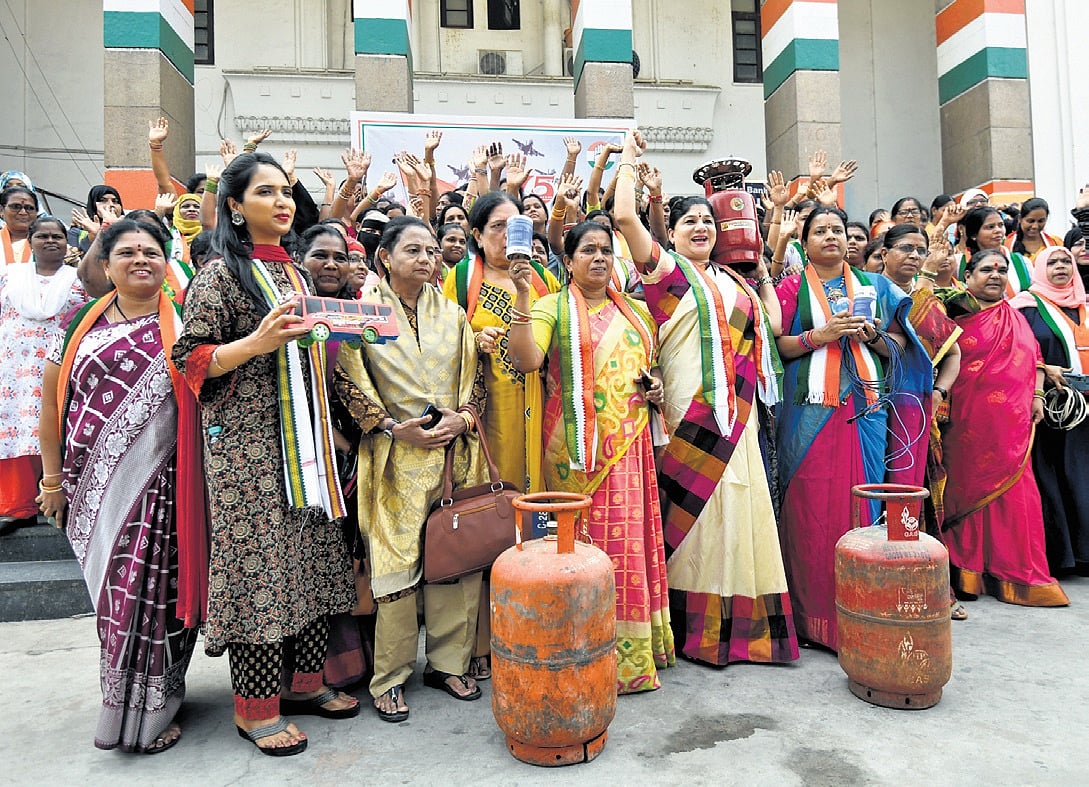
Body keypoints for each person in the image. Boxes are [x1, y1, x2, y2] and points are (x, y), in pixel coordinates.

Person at [172, 152, 358, 757]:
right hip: (249, 449)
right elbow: (190, 358)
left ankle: (303, 686)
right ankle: (255, 710)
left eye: (285, 192)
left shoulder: (296, 274)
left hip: (306, 441)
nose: (282, 202)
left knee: (310, 557)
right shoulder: (222, 274)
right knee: (262, 570)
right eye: (265, 192)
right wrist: (254, 343)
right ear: (233, 205)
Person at [613, 130, 798, 666]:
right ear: (670, 230)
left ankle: (741, 635)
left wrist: (765, 265)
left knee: (740, 516)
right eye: (689, 220)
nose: (700, 227)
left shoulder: (737, 285)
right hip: (684, 424)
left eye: (709, 222)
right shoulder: (668, 274)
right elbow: (625, 220)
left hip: (737, 421)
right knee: (690, 530)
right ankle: (689, 634)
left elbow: (776, 326)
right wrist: (628, 160)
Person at [36, 219, 203, 752]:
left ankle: (158, 703)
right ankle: (120, 702)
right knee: (117, 598)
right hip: (92, 489)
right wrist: (52, 479)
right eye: (126, 252)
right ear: (104, 265)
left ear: (166, 262)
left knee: (160, 595)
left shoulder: (185, 321)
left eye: (151, 252)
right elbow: (50, 404)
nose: (140, 260)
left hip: (165, 486)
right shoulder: (81, 323)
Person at [507, 220, 675, 692]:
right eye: (587, 251)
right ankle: (578, 653)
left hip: (629, 450)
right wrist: (521, 298)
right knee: (579, 548)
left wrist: (656, 385)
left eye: (606, 250)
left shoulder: (638, 312)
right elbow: (526, 362)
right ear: (569, 260)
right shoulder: (548, 307)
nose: (599, 258)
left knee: (627, 549)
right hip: (572, 453)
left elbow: (650, 367)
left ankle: (628, 660)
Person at [334, 216, 489, 721]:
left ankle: (446, 664)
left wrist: (463, 418)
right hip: (394, 458)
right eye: (412, 250)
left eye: (430, 250)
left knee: (454, 557)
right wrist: (388, 426)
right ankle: (391, 675)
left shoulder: (454, 315)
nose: (426, 258)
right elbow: (348, 381)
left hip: (452, 455)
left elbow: (476, 381)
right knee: (395, 569)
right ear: (385, 257)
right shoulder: (362, 314)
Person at [776, 207, 931, 650]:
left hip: (865, 407)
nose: (830, 236)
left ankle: (859, 612)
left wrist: (872, 337)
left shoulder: (876, 286)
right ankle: (811, 619)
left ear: (851, 239)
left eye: (837, 230)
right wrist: (820, 336)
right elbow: (776, 346)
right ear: (803, 243)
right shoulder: (790, 286)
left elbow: (900, 344)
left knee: (862, 501)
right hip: (808, 410)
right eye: (819, 230)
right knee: (808, 507)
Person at [441, 191, 561, 679]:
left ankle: (533, 625)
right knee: (492, 518)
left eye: (518, 226)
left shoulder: (546, 278)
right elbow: (442, 339)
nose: (510, 236)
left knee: (537, 515)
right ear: (476, 235)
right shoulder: (461, 279)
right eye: (497, 227)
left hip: (539, 412)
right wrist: (474, 336)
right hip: (486, 418)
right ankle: (483, 642)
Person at [937, 248, 1069, 606]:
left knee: (1016, 494)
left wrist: (1038, 397)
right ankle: (967, 571)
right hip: (965, 423)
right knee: (965, 491)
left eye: (1001, 270)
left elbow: (1035, 361)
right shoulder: (952, 315)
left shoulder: (1014, 316)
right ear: (968, 277)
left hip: (1011, 422)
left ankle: (1014, 574)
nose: (994, 275)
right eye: (985, 270)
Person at [883, 224, 967, 619]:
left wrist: (939, 392)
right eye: (905, 248)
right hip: (866, 404)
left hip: (915, 409)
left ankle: (927, 590)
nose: (914, 256)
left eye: (920, 250)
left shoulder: (926, 302)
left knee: (917, 493)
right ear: (883, 253)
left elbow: (953, 354)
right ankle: (874, 580)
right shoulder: (867, 291)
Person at [0, 218, 87, 532]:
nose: (51, 241)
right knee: (15, 432)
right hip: (14, 372)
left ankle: (64, 502)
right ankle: (17, 505)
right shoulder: (9, 276)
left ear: (67, 243)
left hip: (59, 366)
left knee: (59, 429)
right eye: (42, 236)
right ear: (30, 241)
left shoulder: (79, 279)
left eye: (57, 236)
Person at [1009, 247, 1089, 573]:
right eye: (1052, 262)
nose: (1060, 267)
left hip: (1087, 409)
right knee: (1059, 477)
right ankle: (1064, 557)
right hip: (1053, 405)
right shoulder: (1025, 308)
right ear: (1040, 269)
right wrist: (1044, 369)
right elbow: (1018, 351)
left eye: (1065, 262)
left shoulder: (1084, 305)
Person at [957, 206, 1032, 295]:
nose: (998, 230)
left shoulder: (1022, 262)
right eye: (990, 227)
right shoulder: (958, 264)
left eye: (1001, 225)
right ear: (974, 234)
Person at [1006, 197, 1063, 261]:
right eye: (1031, 221)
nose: (1035, 226)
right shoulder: (1007, 244)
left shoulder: (1055, 242)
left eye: (1040, 221)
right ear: (1020, 219)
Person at [0, 186, 38, 268]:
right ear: (1, 210)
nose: (23, 212)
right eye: (16, 207)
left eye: (29, 208)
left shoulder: (49, 242)